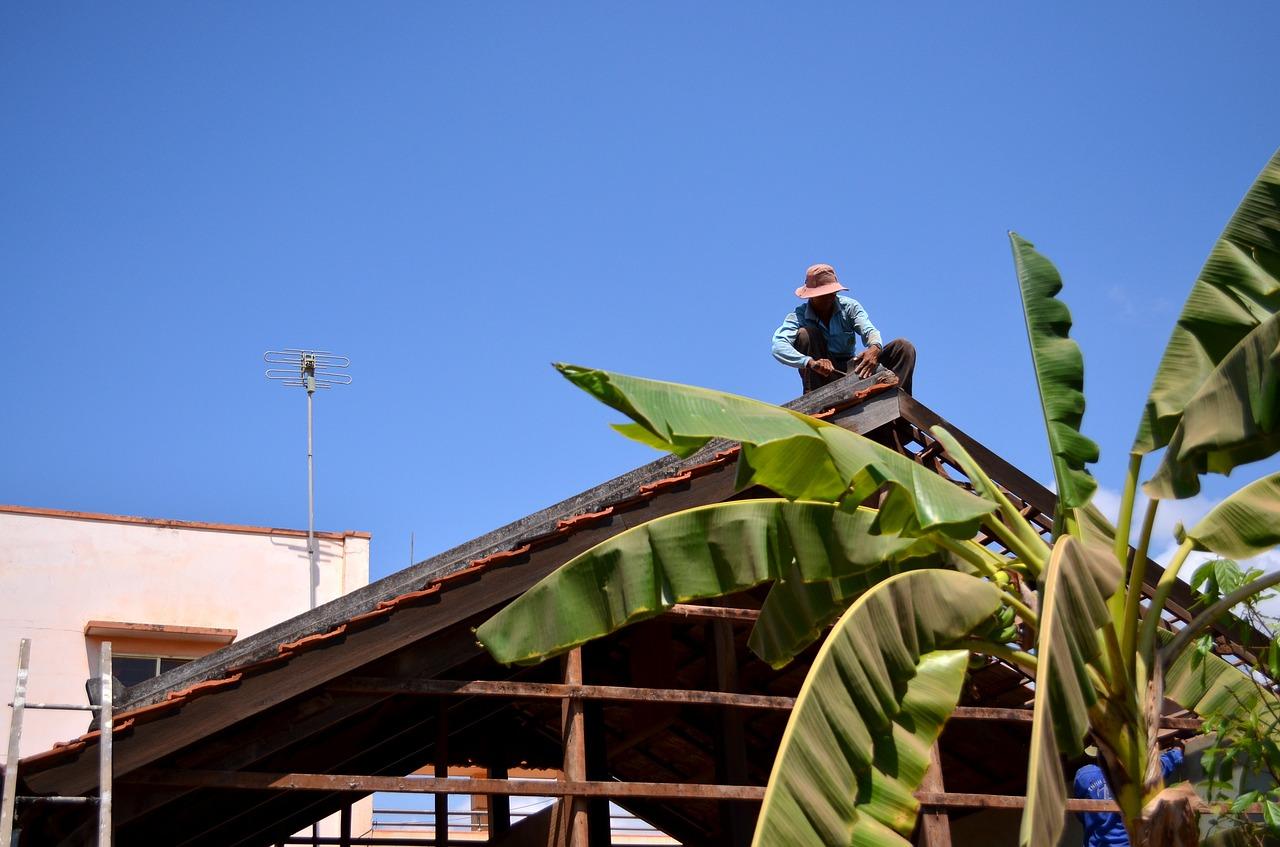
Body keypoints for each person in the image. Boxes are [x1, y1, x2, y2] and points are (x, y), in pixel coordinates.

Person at [771, 263, 916, 395]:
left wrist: (875, 348)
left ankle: (897, 398)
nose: (829, 297)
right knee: (805, 334)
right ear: (811, 296)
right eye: (823, 295)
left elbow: (869, 330)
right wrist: (811, 363)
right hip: (822, 377)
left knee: (903, 347)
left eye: (832, 293)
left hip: (853, 370)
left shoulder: (850, 307)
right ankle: (813, 394)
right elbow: (778, 346)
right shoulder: (798, 316)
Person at [1073, 745, 1184, 847]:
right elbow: (1159, 769)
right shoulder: (1129, 773)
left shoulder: (1083, 776)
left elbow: (1080, 813)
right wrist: (1176, 752)